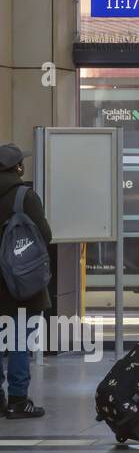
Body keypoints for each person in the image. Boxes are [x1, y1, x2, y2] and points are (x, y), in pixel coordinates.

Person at [0, 144, 51, 419]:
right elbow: (45, 235)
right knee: (20, 340)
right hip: (22, 283)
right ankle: (18, 400)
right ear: (18, 167)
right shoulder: (25, 196)